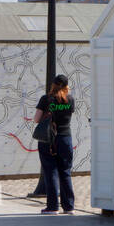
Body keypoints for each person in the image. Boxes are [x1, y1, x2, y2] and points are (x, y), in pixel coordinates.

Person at [34, 74, 76, 214]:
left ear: (53, 84)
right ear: (66, 86)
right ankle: (69, 206)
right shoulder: (70, 99)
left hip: (48, 140)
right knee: (65, 171)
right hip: (65, 138)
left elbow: (36, 119)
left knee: (50, 171)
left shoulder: (46, 99)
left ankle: (52, 207)